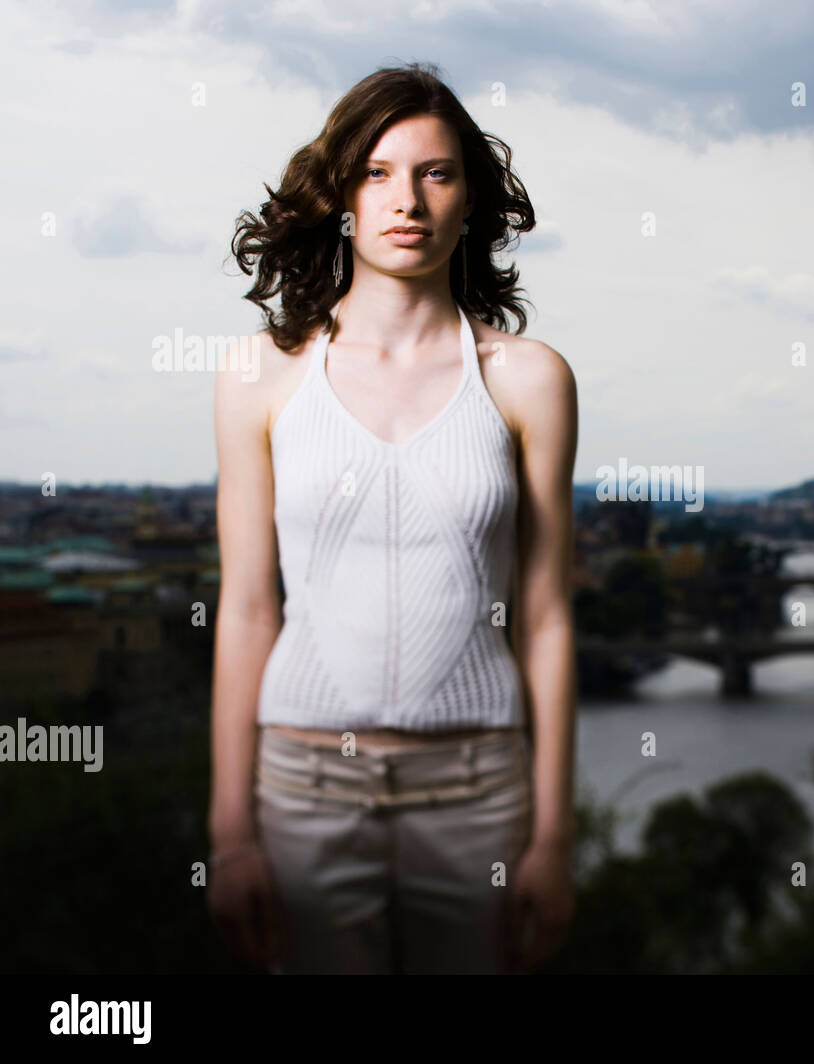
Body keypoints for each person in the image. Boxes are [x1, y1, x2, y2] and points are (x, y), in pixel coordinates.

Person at [206, 62, 578, 973]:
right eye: (376, 172)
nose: (405, 199)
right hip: (301, 790)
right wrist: (230, 834)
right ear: (340, 196)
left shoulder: (529, 379)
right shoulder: (260, 374)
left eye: (436, 173)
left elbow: (546, 616)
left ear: (469, 202)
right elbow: (249, 607)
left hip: (479, 792)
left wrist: (554, 835)